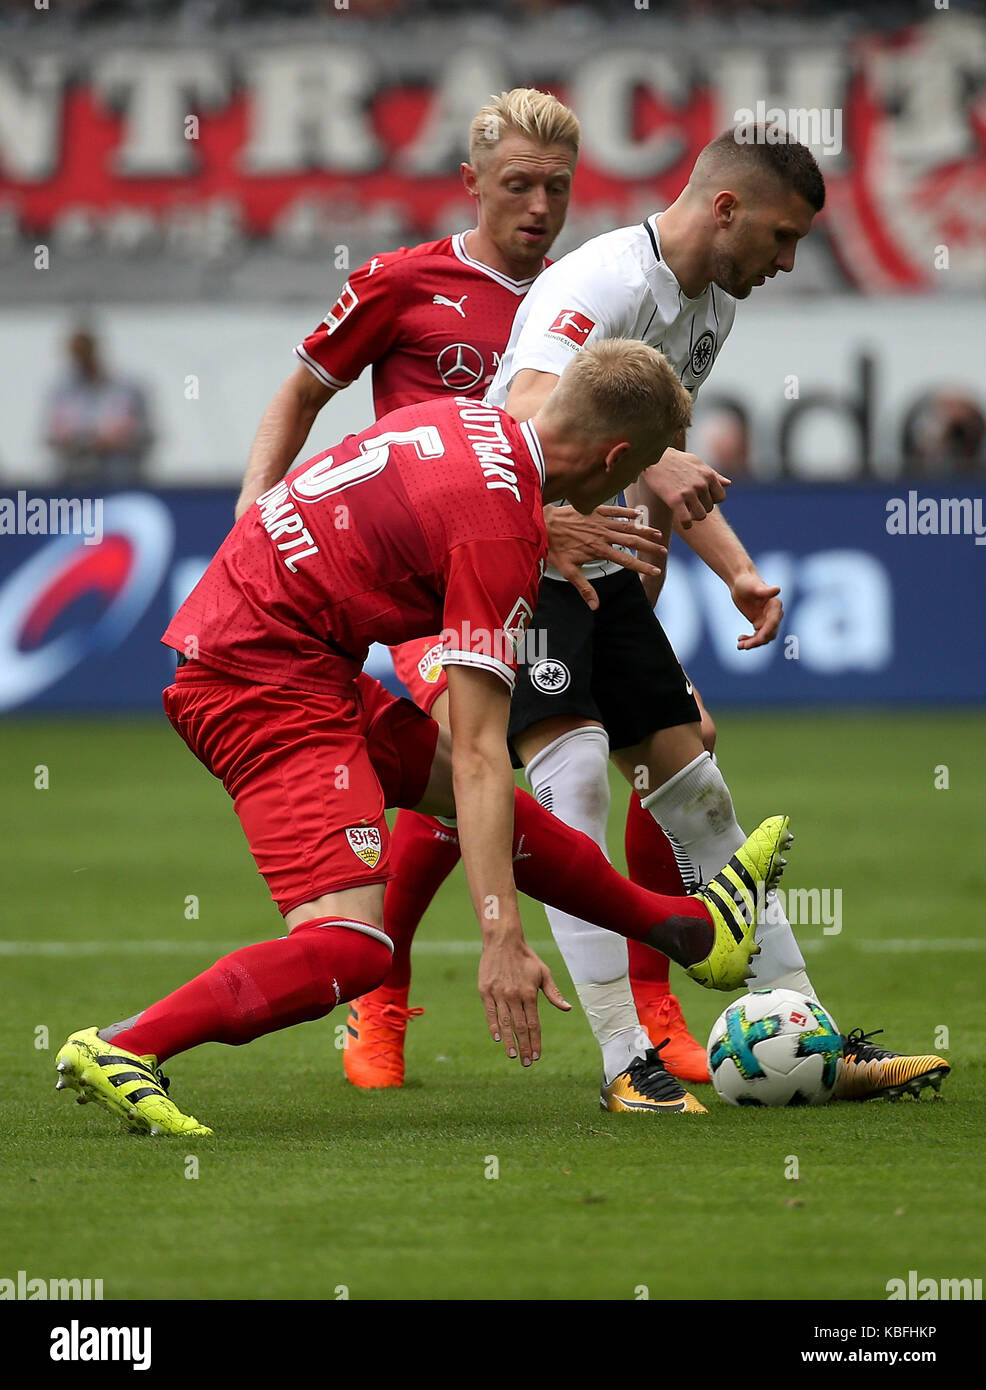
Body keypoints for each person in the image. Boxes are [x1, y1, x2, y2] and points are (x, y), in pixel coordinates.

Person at [53, 341, 795, 1137]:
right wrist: (501, 937)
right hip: (260, 683)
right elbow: (481, 750)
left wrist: (536, 531)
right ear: (617, 457)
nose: (628, 488)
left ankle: (688, 930)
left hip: (282, 648)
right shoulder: (498, 534)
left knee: (479, 802)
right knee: (352, 948)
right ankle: (125, 1045)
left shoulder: (475, 424)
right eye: (637, 470)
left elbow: (436, 504)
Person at [235, 87, 712, 1107]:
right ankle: (388, 988)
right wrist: (252, 505)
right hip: (444, 574)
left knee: (681, 744)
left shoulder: (585, 298)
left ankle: (654, 996)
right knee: (474, 746)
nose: (538, 206)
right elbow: (302, 393)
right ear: (470, 184)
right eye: (516, 186)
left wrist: (727, 557)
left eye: (556, 187)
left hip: (564, 558)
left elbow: (649, 447)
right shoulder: (403, 283)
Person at [483, 124, 950, 1104]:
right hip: (518, 546)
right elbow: (528, 407)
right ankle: (625, 1063)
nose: (785, 263)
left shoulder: (706, 308)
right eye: (780, 239)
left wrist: (734, 571)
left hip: (598, 555)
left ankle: (818, 1048)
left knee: (698, 797)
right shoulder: (600, 282)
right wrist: (650, 465)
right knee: (571, 788)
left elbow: (647, 450)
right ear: (724, 209)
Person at [42, 328, 153, 486]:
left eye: (84, 353)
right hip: (73, 480)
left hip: (120, 478)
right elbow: (51, 435)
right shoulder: (63, 391)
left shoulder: (127, 389)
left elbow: (145, 435)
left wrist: (112, 441)